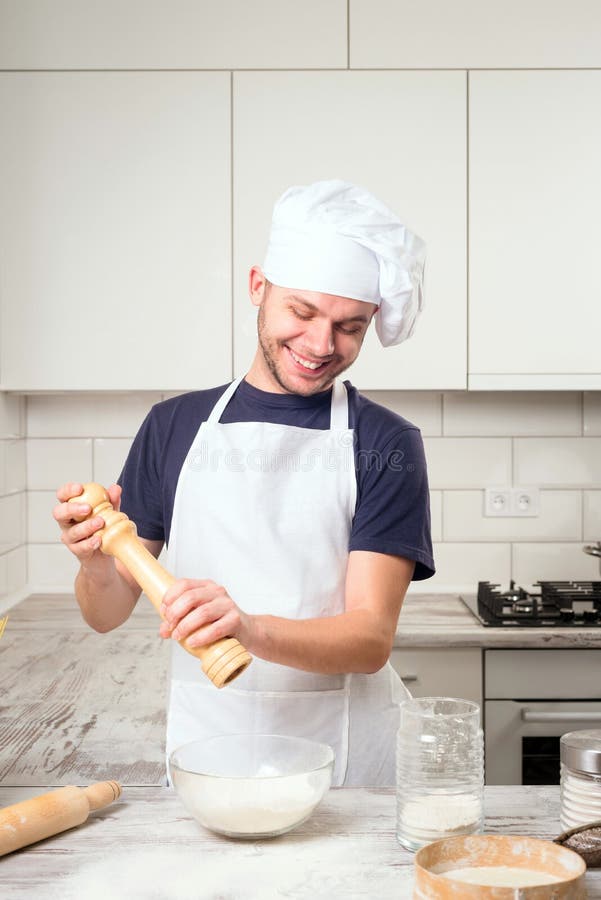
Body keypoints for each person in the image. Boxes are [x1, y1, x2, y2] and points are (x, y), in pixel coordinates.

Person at [54, 179, 435, 787]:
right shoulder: (172, 426)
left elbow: (369, 639)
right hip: (210, 744)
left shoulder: (387, 442)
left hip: (344, 763)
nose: (320, 345)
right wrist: (95, 565)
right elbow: (105, 613)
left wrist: (247, 630)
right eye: (301, 312)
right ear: (258, 286)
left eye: (350, 327)